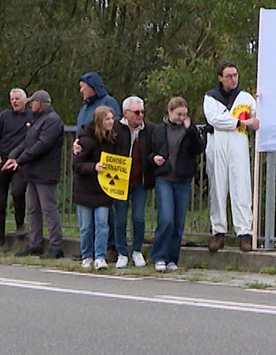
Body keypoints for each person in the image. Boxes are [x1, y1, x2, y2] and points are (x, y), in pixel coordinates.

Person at [145, 96, 207, 272]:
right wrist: (153, 158)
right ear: (169, 112)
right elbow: (148, 152)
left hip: (183, 179)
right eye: (179, 114)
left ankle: (173, 258)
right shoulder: (158, 130)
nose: (181, 118)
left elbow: (199, 149)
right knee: (166, 218)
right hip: (164, 178)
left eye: (184, 115)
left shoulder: (189, 131)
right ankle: (159, 256)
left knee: (179, 221)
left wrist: (191, 130)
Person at [204, 60, 259, 252]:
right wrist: (240, 122)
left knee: (241, 187)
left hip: (238, 143)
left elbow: (256, 116)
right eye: (228, 76)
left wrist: (260, 103)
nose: (233, 79)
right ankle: (218, 232)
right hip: (217, 144)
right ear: (221, 78)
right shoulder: (210, 98)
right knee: (218, 188)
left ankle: (244, 233)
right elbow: (215, 119)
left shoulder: (246, 98)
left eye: (235, 75)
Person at [5, 90, 67, 259]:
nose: (31, 105)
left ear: (40, 103)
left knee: (49, 209)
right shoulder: (37, 120)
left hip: (45, 172)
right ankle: (35, 243)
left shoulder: (52, 121)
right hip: (33, 171)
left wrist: (21, 160)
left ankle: (56, 246)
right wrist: (14, 155)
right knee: (34, 209)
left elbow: (42, 145)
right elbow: (27, 142)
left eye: (33, 102)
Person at [72, 105, 122, 270]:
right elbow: (77, 165)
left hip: (104, 189)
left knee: (102, 223)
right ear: (99, 121)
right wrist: (93, 167)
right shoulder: (86, 140)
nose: (111, 122)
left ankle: (100, 256)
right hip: (85, 189)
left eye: (112, 119)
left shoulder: (114, 139)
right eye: (107, 119)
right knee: (86, 226)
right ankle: (87, 255)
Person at [0, 88, 32, 248]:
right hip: (2, 161)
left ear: (25, 100)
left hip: (20, 163)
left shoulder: (31, 117)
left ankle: (20, 223)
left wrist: (19, 160)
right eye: (12, 99)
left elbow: (31, 141)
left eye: (17, 99)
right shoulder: (4, 116)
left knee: (18, 191)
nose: (14, 101)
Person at [111, 96, 149, 268]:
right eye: (136, 112)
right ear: (126, 113)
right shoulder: (115, 128)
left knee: (139, 217)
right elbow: (91, 130)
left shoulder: (149, 130)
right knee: (120, 218)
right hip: (120, 181)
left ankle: (137, 250)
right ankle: (121, 252)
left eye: (142, 112)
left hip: (139, 181)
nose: (140, 115)